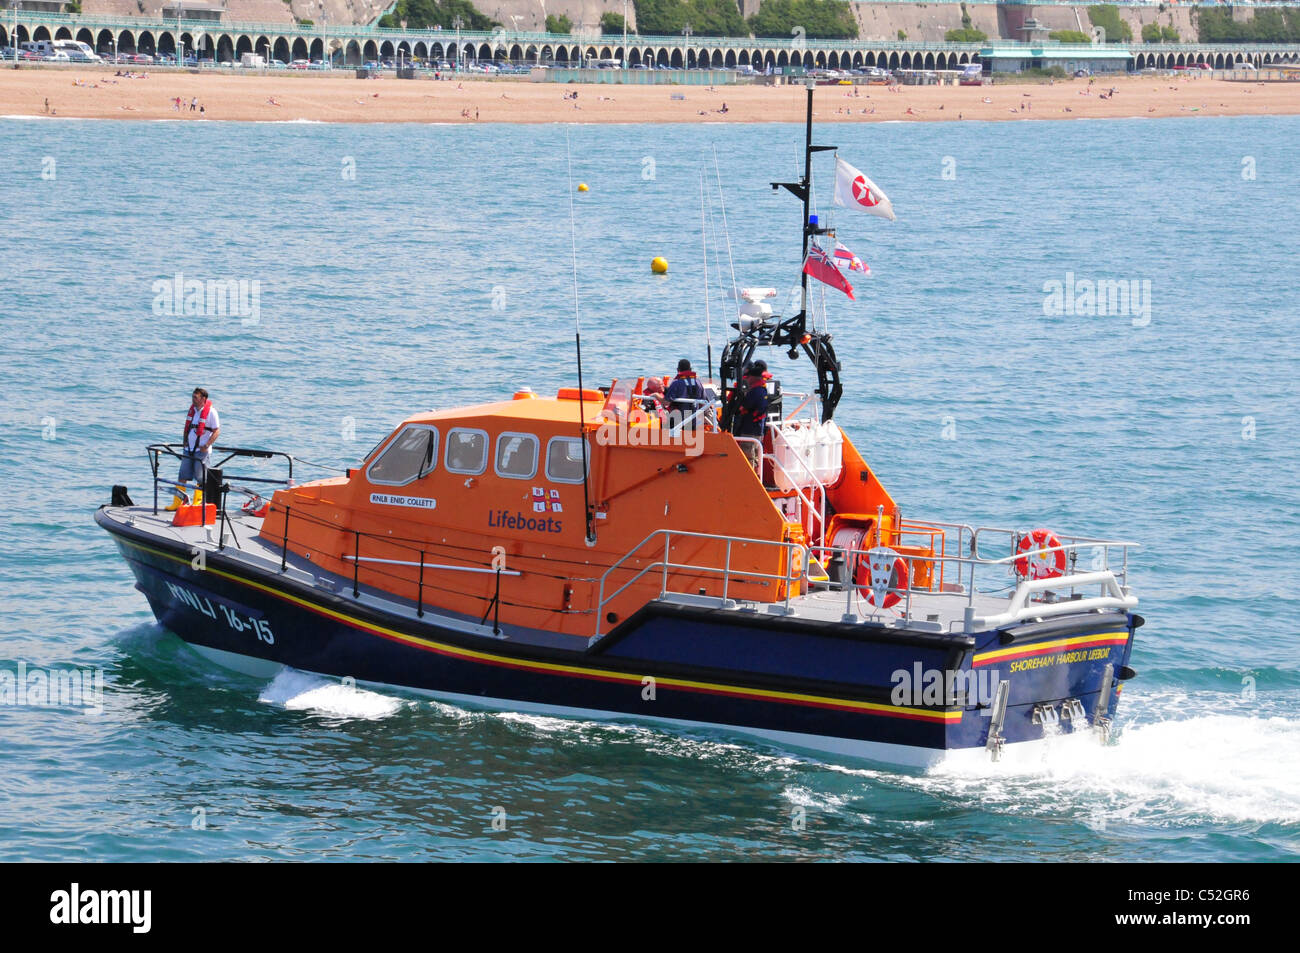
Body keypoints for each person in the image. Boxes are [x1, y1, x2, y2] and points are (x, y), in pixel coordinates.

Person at [168, 387, 220, 510]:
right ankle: (178, 502)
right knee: (182, 475)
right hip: (189, 450)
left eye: (195, 398)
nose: (193, 400)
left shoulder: (211, 412)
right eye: (192, 397)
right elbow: (187, 428)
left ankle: (197, 504)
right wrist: (184, 441)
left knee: (201, 478)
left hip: (201, 452)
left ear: (203, 399)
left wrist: (207, 445)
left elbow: (217, 431)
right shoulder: (193, 411)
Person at [730, 360, 769, 475]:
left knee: (748, 455)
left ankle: (749, 478)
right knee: (755, 455)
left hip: (750, 429)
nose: (748, 379)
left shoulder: (755, 392)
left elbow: (743, 407)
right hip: (758, 429)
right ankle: (756, 476)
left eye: (749, 376)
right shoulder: (762, 390)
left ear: (754, 377)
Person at [665, 359, 705, 430]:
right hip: (694, 422)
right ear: (690, 369)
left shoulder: (676, 383)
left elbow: (666, 402)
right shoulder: (698, 382)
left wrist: (656, 395)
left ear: (678, 370)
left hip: (678, 423)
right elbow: (703, 403)